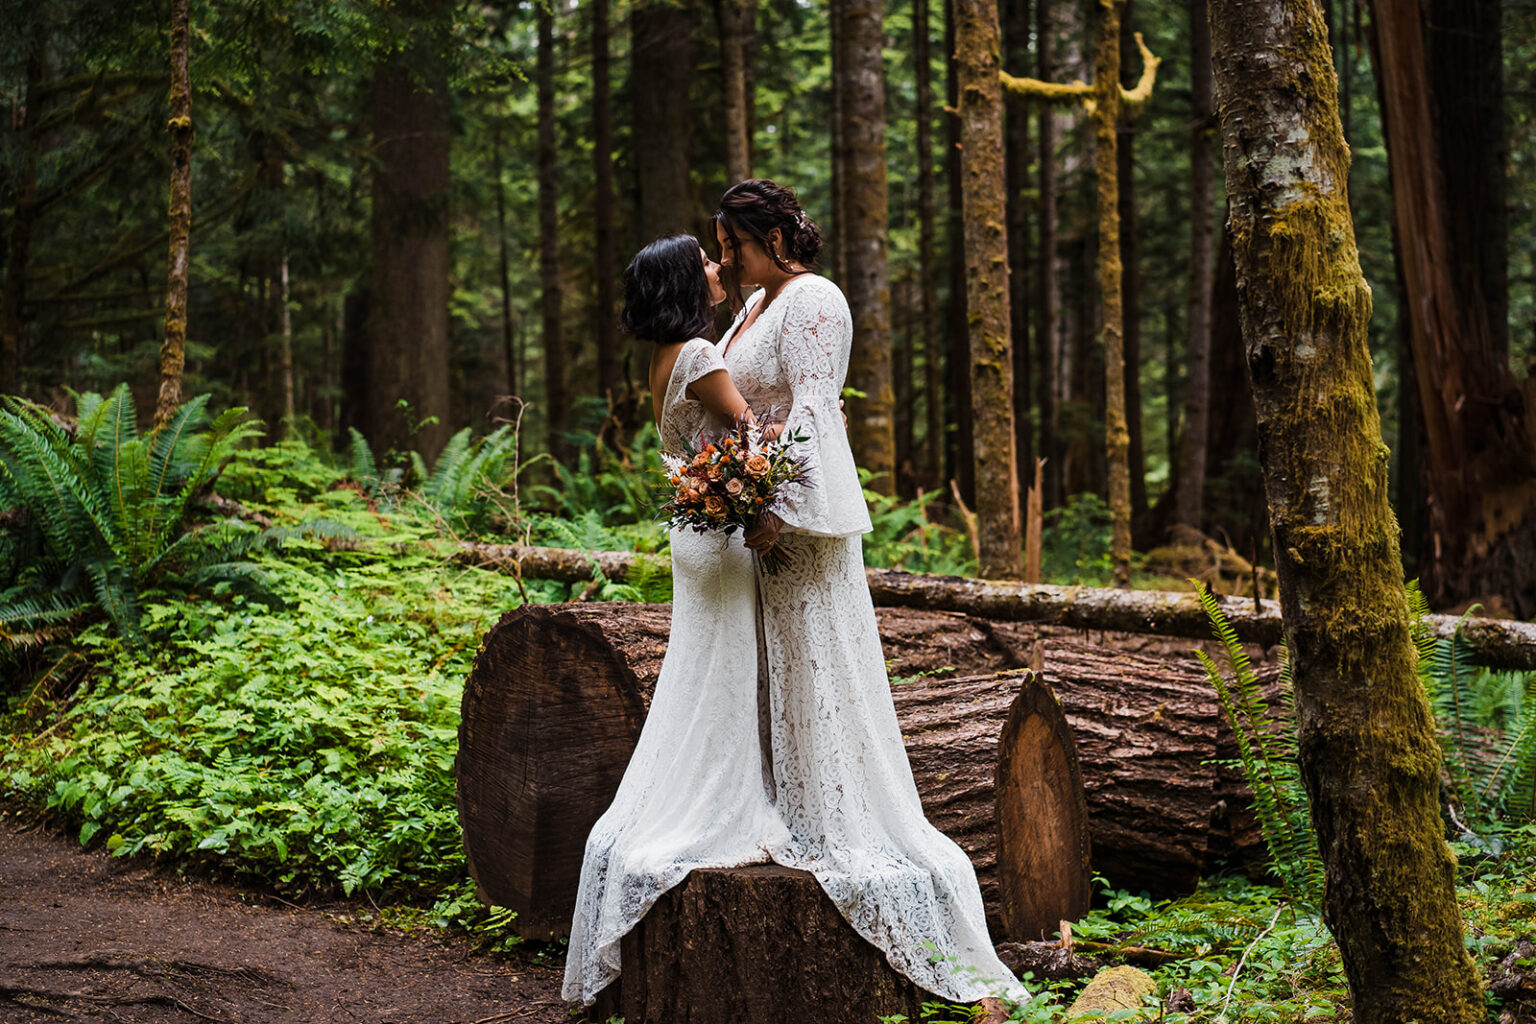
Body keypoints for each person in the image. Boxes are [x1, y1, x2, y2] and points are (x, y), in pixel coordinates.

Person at [715, 178, 1025, 1004]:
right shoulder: (754, 306)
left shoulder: (814, 300)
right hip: (756, 518)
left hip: (798, 524)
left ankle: (835, 820)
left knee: (815, 661)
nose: (726, 259)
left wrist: (779, 508)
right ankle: (782, 809)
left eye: (734, 244)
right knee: (771, 668)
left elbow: (815, 409)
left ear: (775, 238)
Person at [562, 235, 790, 1006]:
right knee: (725, 674)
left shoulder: (666, 355)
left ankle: (718, 793)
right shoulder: (698, 352)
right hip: (721, 535)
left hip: (695, 533)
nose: (720, 268)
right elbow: (750, 432)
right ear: (685, 285)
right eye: (706, 263)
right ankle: (721, 808)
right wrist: (804, 439)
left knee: (706, 673)